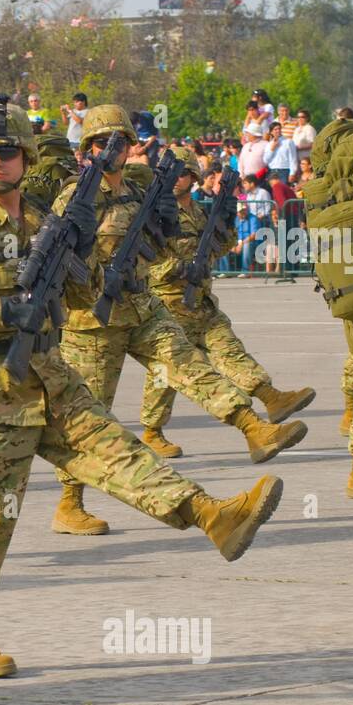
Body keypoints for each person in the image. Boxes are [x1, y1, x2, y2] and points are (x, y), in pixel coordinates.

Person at [0, 99, 285, 676]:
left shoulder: (42, 221)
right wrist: (5, 311)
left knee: (121, 451)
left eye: (6, 152)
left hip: (51, 379)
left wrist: (83, 254)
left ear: (25, 160)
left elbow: (81, 299)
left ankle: (211, 514)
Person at [48, 104, 307, 535]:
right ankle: (69, 503)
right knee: (90, 416)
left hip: (142, 305)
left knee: (189, 365)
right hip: (91, 321)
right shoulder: (74, 196)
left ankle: (253, 427)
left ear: (131, 146)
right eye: (98, 142)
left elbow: (162, 247)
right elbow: (60, 260)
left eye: (117, 141)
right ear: (85, 149)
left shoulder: (137, 190)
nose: (108, 149)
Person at [139, 151, 315, 456]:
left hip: (202, 303)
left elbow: (220, 249)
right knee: (164, 374)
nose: (173, 179)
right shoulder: (156, 213)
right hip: (168, 306)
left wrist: (227, 222)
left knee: (230, 351)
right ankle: (152, 431)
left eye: (180, 173)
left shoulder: (199, 213)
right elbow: (143, 260)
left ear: (192, 178)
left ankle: (270, 396)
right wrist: (176, 268)